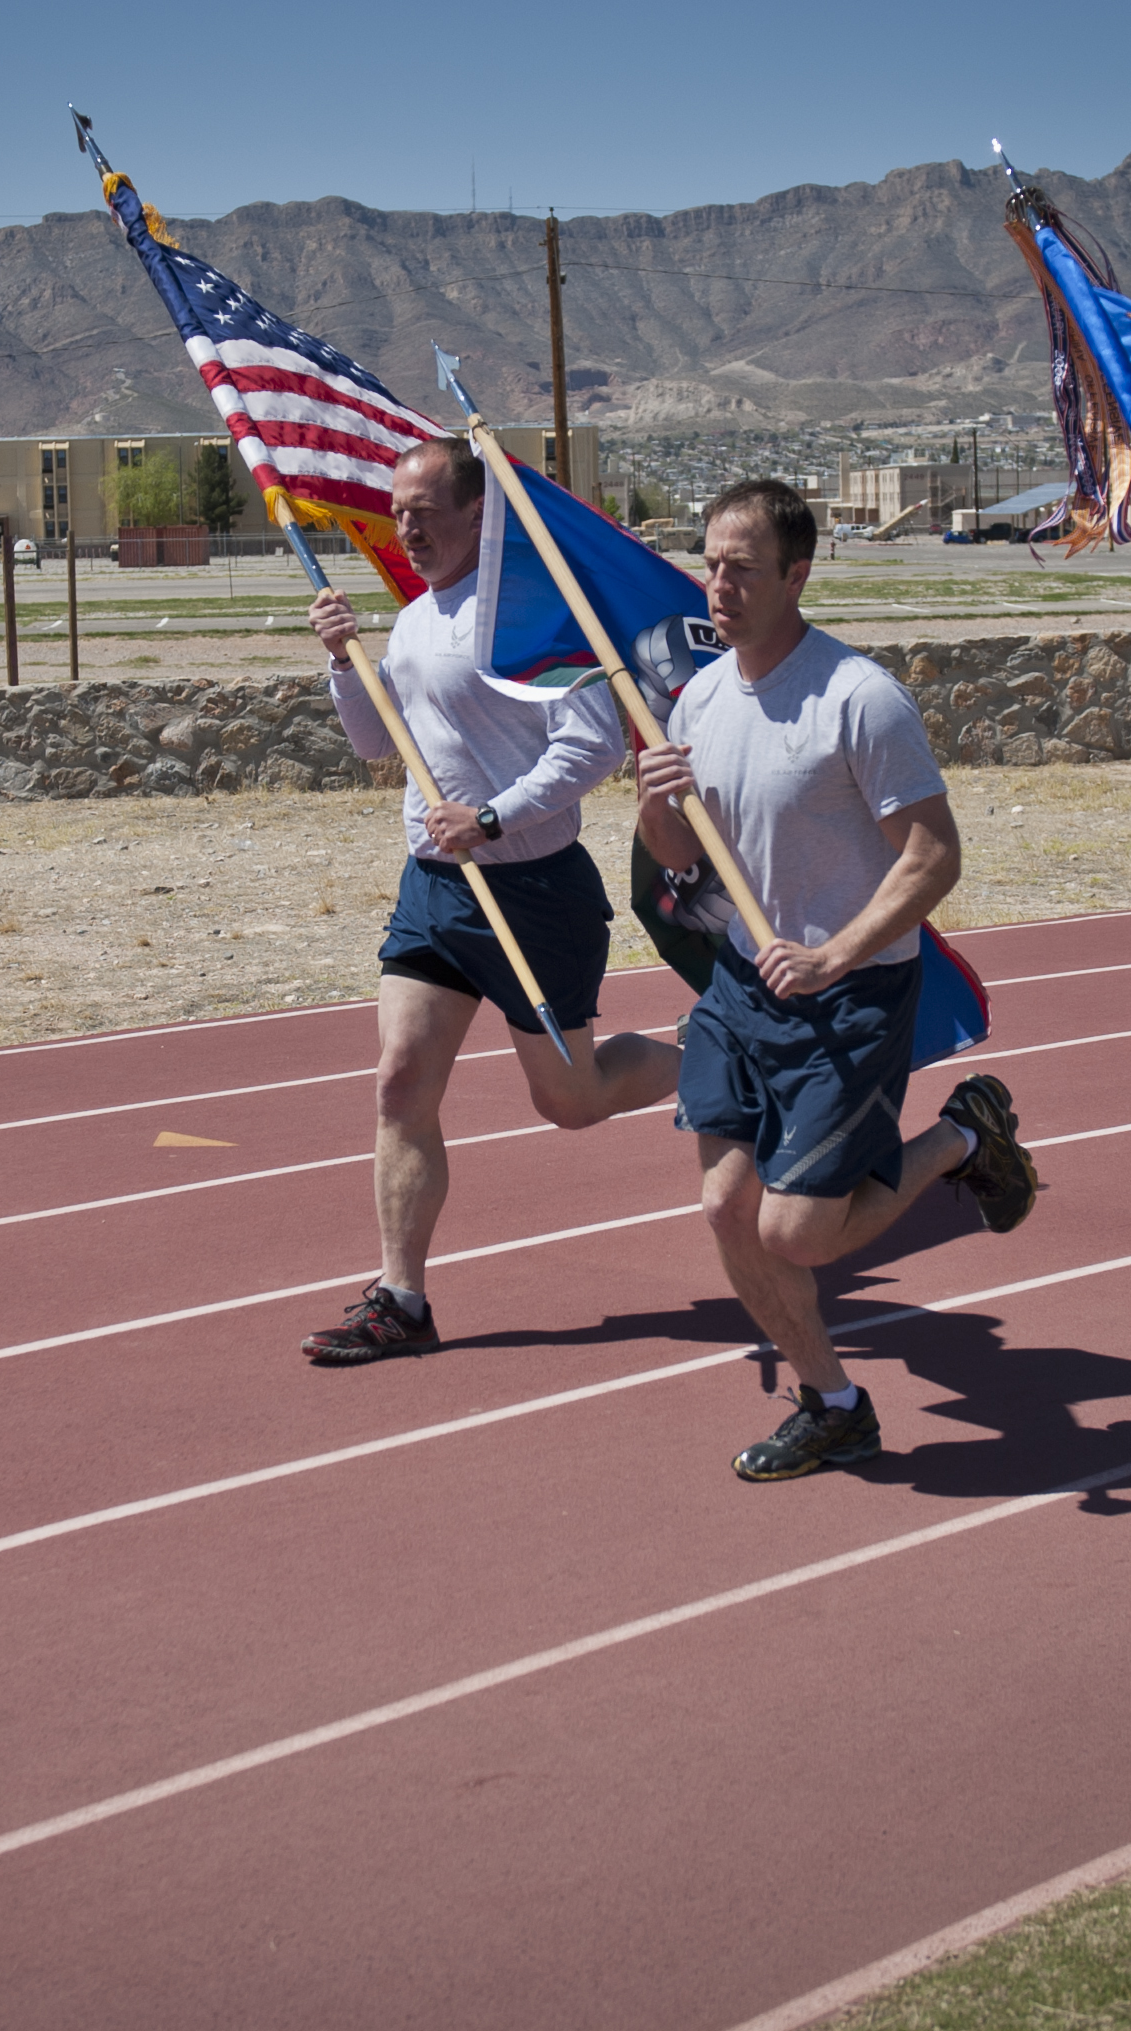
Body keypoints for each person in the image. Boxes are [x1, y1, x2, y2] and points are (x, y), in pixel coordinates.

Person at [635, 478, 1041, 1482]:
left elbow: (932, 856)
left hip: (848, 994)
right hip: (740, 983)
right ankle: (830, 1399)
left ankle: (959, 1136)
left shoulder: (857, 698)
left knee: (797, 1231)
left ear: (796, 575)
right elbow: (679, 857)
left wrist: (834, 955)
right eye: (708, 563)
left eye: (738, 567)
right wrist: (651, 808)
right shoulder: (700, 694)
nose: (716, 584)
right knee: (727, 1210)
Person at [300, 437, 682, 1364]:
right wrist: (346, 662)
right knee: (399, 1081)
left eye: (425, 509)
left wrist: (495, 819)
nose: (407, 526)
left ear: (481, 513)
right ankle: (401, 1299)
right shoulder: (417, 618)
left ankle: (722, 1057)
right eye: (398, 511)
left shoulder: (539, 618)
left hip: (534, 890)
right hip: (435, 888)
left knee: (572, 1100)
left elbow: (593, 745)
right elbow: (375, 749)